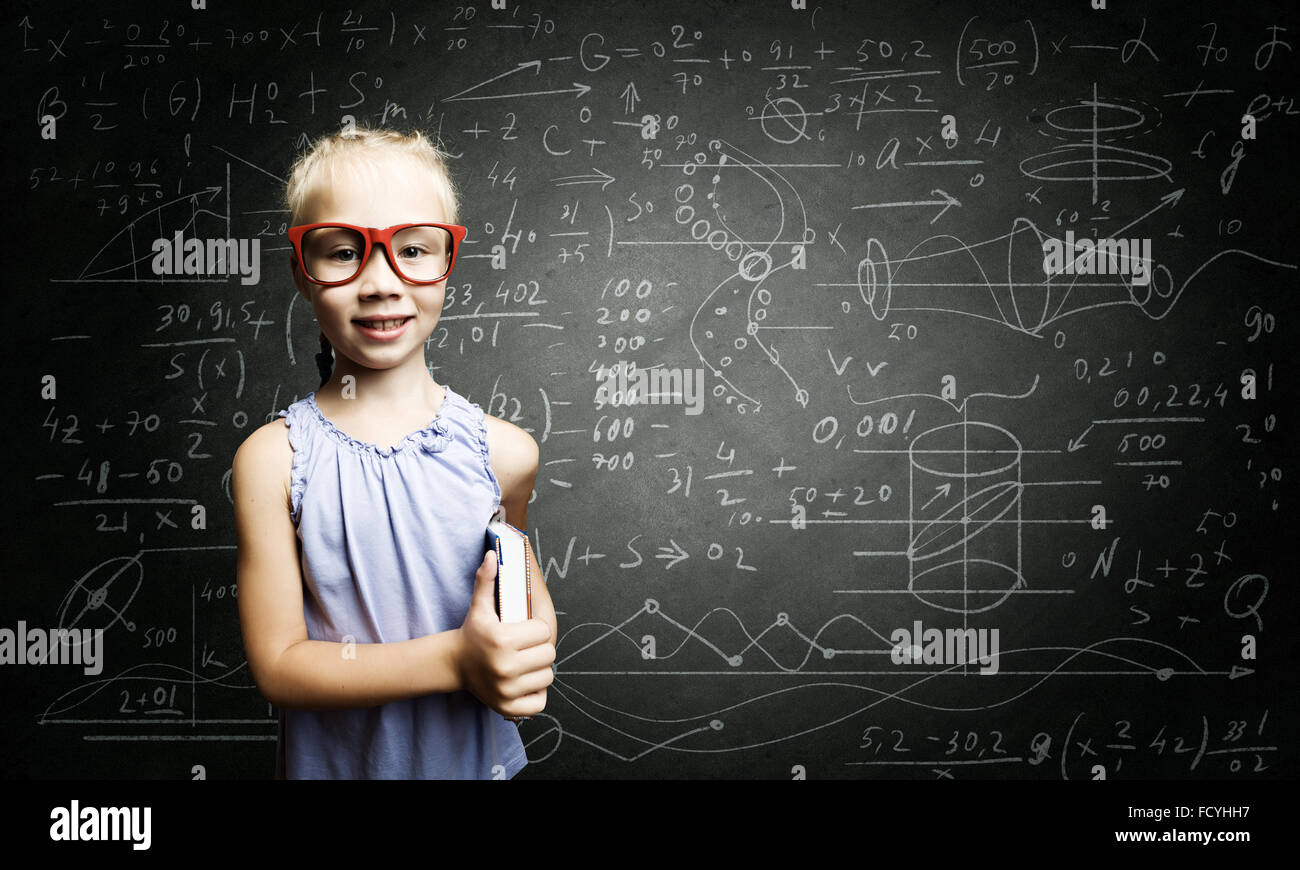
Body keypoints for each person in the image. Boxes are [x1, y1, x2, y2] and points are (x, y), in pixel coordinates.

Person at [232, 127, 557, 779]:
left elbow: (513, 581)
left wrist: (528, 636)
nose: (381, 283)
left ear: (447, 259)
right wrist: (457, 660)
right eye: (344, 252)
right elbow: (279, 664)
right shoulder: (274, 462)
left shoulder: (506, 455)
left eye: (411, 249)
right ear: (301, 270)